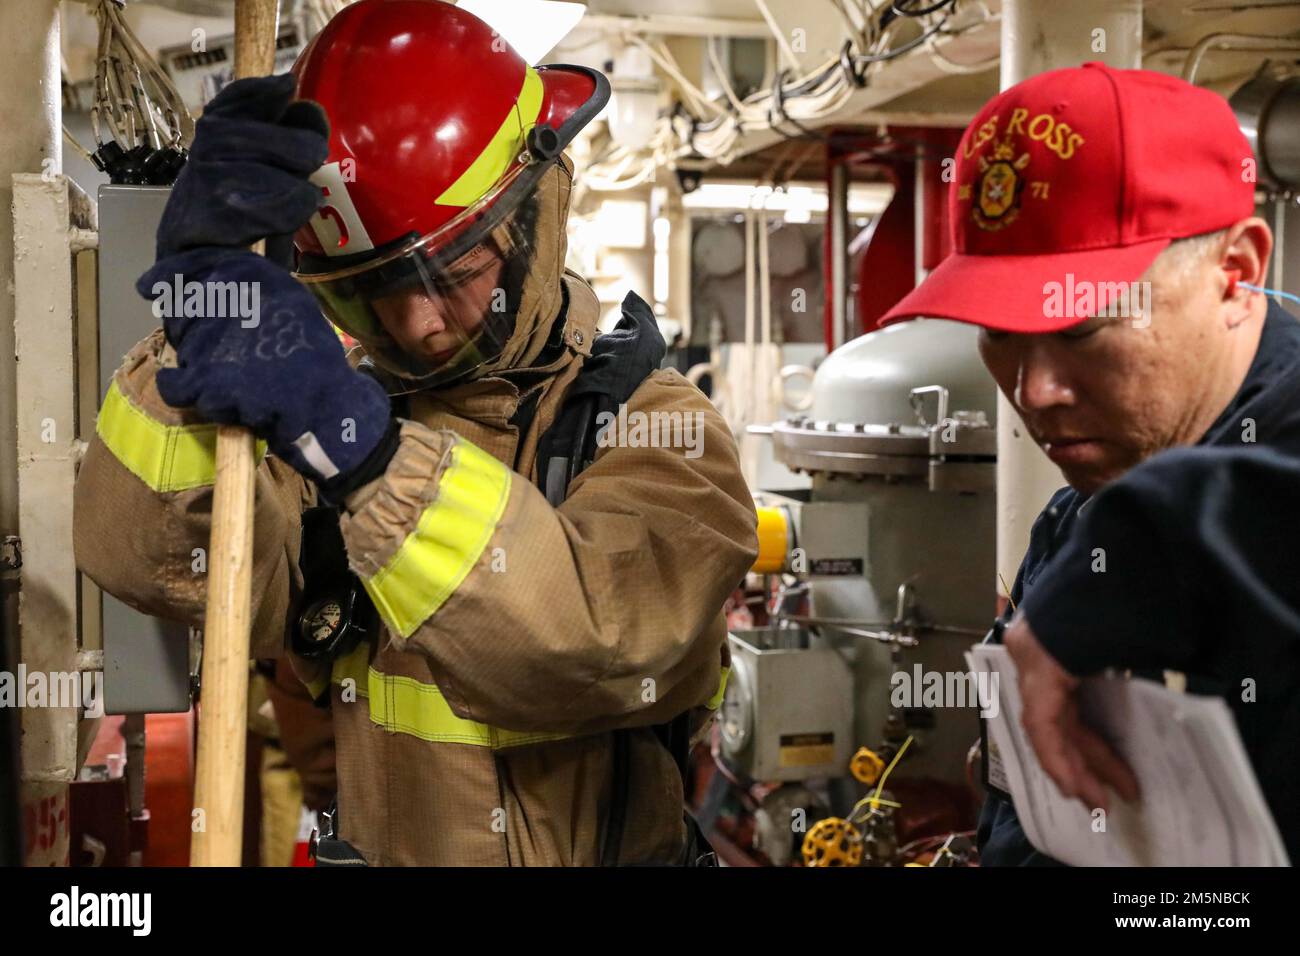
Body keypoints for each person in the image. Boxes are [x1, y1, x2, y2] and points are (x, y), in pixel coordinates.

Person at [73, 0, 758, 866]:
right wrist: (202, 327)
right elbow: (148, 563)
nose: (418, 325)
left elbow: (593, 643)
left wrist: (367, 459)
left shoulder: (657, 428)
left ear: (540, 204)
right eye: (365, 292)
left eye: (453, 271)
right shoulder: (319, 428)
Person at [876, 61, 1300, 864]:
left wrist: (1147, 548)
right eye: (997, 332)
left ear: (1236, 272)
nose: (1034, 392)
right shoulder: (1083, 515)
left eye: (1081, 329)